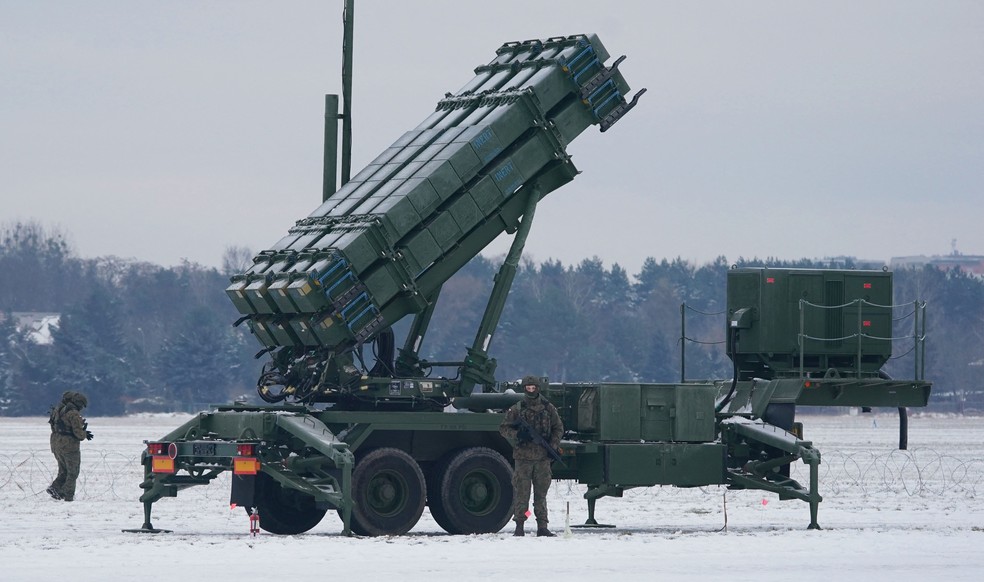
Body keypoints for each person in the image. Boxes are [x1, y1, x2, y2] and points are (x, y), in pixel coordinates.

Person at [499, 375, 563, 537]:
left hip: (542, 458)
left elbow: (558, 428)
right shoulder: (517, 408)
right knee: (522, 495)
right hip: (523, 458)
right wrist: (518, 434)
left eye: (533, 387)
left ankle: (542, 526)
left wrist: (553, 445)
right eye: (528, 387)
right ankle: (520, 525)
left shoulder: (548, 408)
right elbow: (504, 429)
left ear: (538, 388)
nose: (531, 390)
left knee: (541, 496)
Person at [47, 391, 93, 501]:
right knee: (72, 472)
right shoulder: (73, 413)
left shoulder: (57, 410)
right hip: (69, 445)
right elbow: (79, 434)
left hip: (56, 442)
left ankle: (55, 488)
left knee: (64, 470)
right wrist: (84, 433)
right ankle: (67, 495)